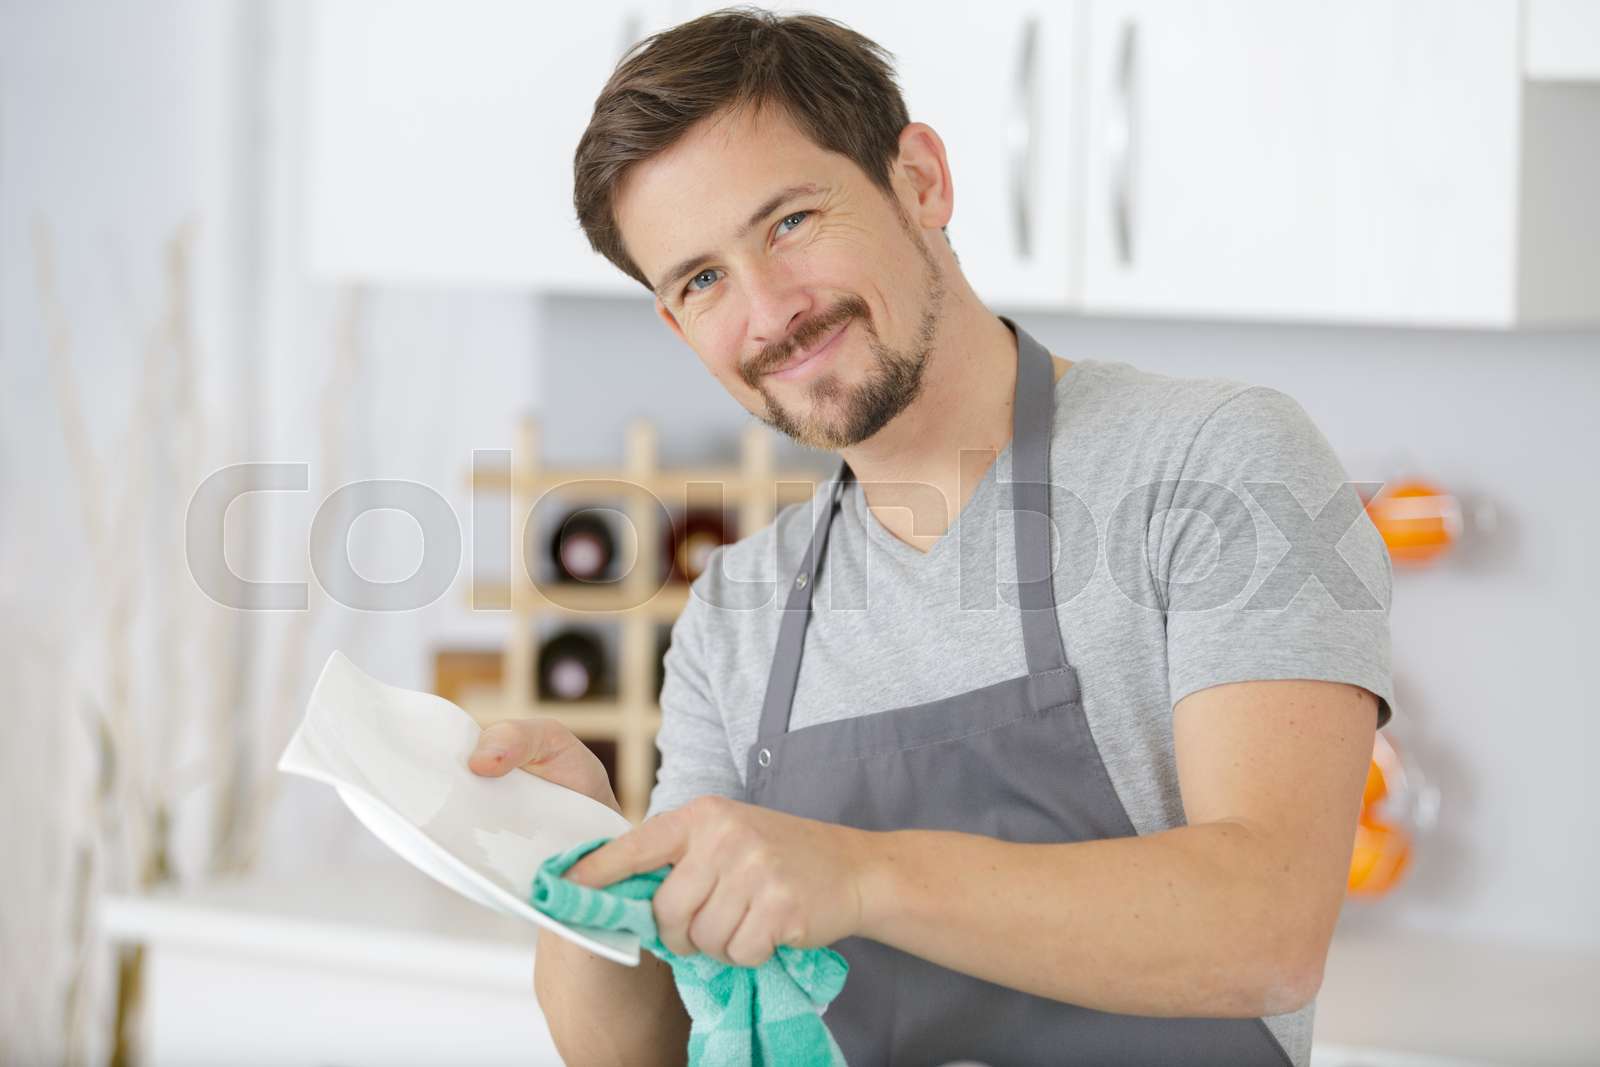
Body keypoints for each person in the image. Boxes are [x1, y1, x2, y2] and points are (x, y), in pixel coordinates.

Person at [468, 9, 1393, 1066]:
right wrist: (584, 856)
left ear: (919, 180)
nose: (769, 311)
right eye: (703, 279)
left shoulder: (1214, 462)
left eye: (789, 222)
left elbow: (1264, 927)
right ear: (680, 327)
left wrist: (857, 873)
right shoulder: (739, 609)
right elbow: (645, 1050)